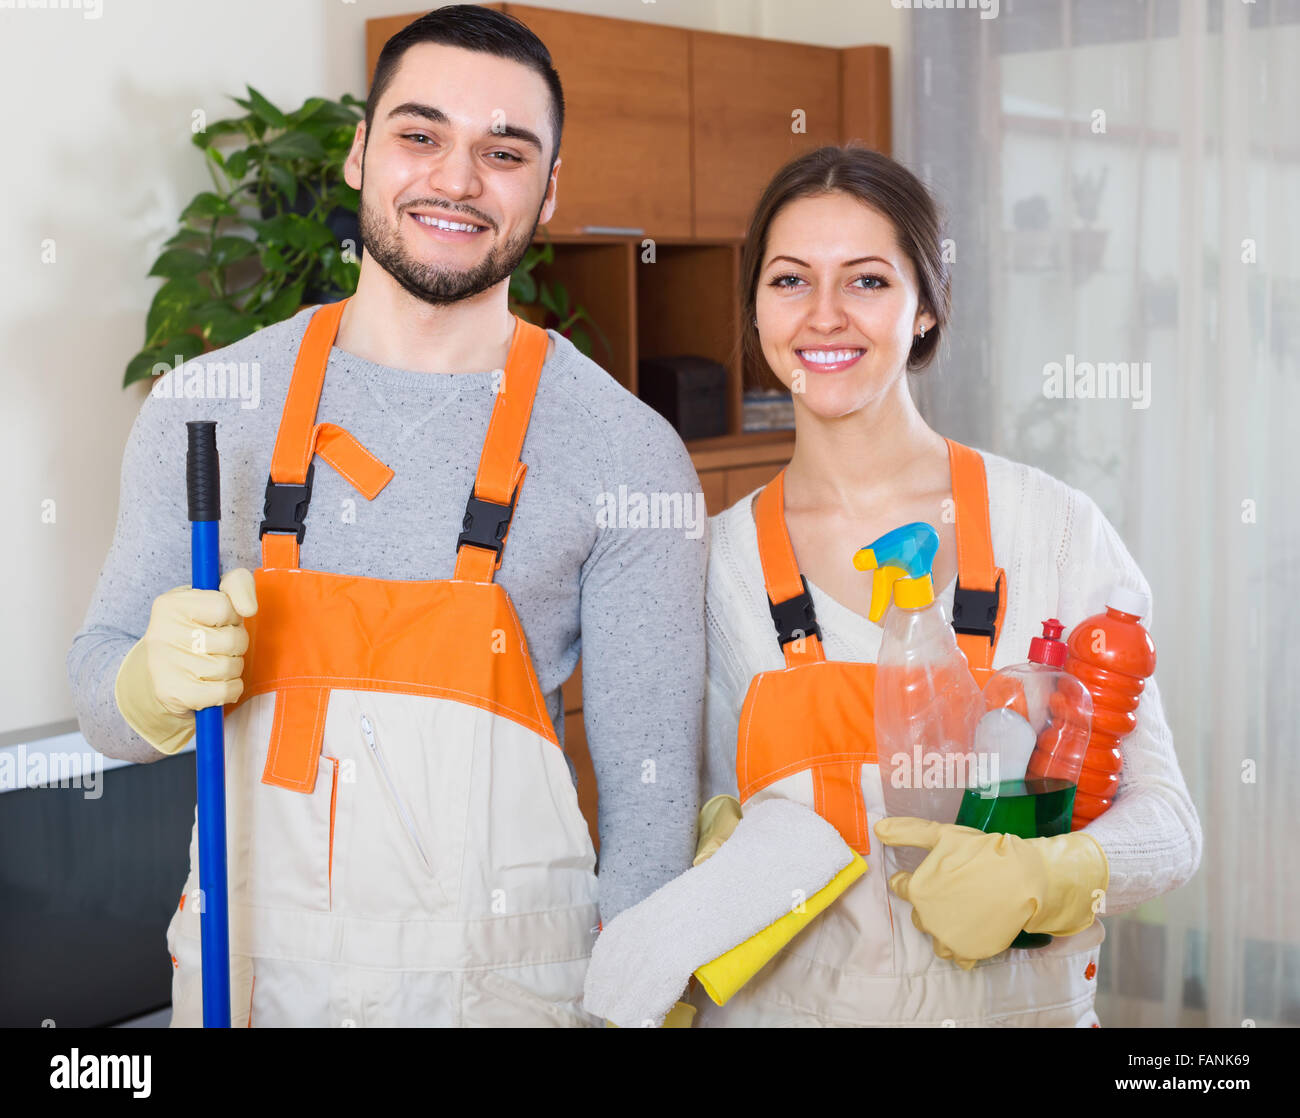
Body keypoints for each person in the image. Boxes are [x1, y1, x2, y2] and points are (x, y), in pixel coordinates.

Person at [66, 6, 706, 1028]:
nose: (456, 180)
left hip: (508, 996)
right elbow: (104, 696)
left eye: (504, 152)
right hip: (252, 981)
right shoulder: (207, 411)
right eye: (420, 134)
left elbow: (652, 802)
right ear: (361, 153)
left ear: (550, 188)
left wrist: (631, 1009)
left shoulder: (627, 455)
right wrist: (145, 681)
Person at [690, 145, 1202, 1027]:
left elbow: (1170, 828)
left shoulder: (1055, 531)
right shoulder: (714, 570)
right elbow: (692, 842)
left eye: (867, 282)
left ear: (925, 308)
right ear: (755, 311)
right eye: (788, 281)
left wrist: (1055, 873)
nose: (823, 317)